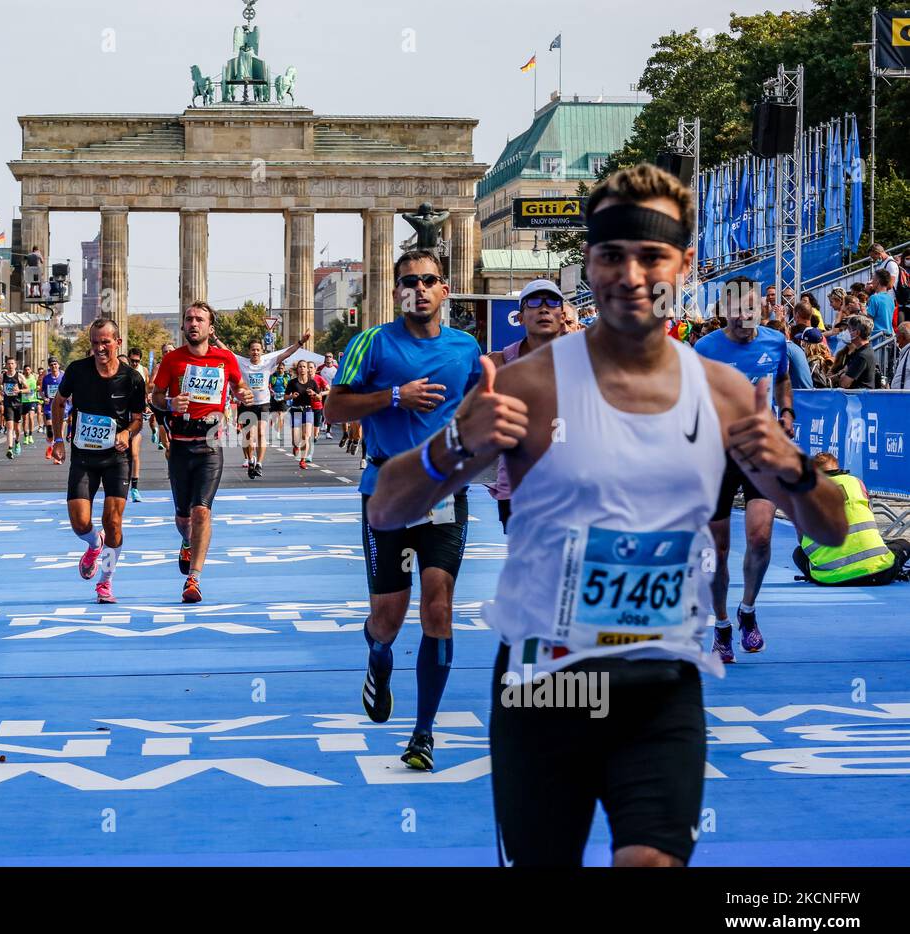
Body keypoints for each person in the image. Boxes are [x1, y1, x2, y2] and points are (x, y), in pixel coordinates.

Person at [367, 163, 847, 865]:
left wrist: (797, 470)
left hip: (661, 687)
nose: (631, 275)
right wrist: (452, 444)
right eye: (611, 255)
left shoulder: (724, 394)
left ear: (684, 264)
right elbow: (387, 509)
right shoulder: (530, 385)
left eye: (651, 255)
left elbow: (831, 531)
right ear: (587, 266)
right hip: (544, 687)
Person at [324, 249, 484, 772]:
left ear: (445, 290)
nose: (419, 289)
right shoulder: (371, 342)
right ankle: (377, 654)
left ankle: (423, 733)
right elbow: (333, 408)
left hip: (443, 492)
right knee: (388, 620)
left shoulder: (466, 348)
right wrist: (394, 396)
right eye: (408, 281)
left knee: (438, 608)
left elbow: (478, 410)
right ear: (395, 291)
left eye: (429, 280)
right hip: (386, 488)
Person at [694, 281, 794, 663]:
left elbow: (783, 380)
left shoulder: (776, 342)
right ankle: (721, 626)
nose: (743, 317)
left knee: (761, 537)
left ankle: (747, 612)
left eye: (750, 309)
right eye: (736, 310)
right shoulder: (705, 349)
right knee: (717, 551)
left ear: (761, 312)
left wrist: (786, 412)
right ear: (724, 313)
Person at [150, 301, 250, 603]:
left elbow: (239, 385)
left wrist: (242, 393)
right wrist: (169, 403)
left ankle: (194, 579)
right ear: (183, 326)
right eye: (189, 319)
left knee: (202, 511)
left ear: (210, 328)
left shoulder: (225, 359)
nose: (193, 324)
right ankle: (186, 542)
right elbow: (155, 395)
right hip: (180, 445)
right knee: (183, 519)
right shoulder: (172, 361)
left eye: (199, 319)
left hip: (209, 444)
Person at [52, 319, 146, 603]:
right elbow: (59, 402)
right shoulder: (77, 370)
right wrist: (57, 439)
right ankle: (94, 543)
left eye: (105, 342)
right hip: (83, 456)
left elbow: (138, 420)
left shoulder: (132, 378)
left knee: (113, 521)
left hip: (116, 458)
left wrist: (127, 434)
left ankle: (105, 582)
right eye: (94, 342)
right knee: (80, 523)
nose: (99, 348)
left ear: (118, 342)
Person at [485, 278, 566, 532]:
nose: (543, 308)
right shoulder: (497, 363)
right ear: (519, 317)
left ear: (562, 315)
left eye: (552, 302)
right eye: (534, 302)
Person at [792, 453, 910, 585]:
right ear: (838, 468)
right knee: (903, 545)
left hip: (831, 579)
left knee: (798, 554)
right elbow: (868, 517)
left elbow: (801, 539)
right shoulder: (856, 483)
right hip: (880, 573)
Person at [237, 332, 309, 479]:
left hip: (263, 403)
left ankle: (259, 464)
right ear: (249, 351)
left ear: (262, 351)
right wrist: (214, 338)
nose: (255, 352)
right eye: (253, 349)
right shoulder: (242, 362)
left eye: (258, 349)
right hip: (247, 403)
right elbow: (226, 351)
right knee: (248, 436)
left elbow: (287, 353)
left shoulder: (267, 362)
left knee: (261, 433)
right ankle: (251, 460)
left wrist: (301, 342)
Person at [286, 360, 318, 469]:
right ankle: (295, 447)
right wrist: (291, 396)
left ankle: (303, 460)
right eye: (300, 367)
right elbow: (285, 397)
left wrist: (314, 394)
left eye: (304, 367)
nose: (303, 368)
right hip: (296, 410)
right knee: (296, 439)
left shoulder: (312, 383)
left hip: (308, 410)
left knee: (306, 436)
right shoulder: (292, 382)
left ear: (307, 369)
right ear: (298, 369)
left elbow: (318, 397)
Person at [126, 346, 148, 500]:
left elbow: (145, 391)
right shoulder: (118, 374)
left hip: (134, 420)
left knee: (134, 453)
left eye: (137, 362)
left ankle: (134, 488)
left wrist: (145, 404)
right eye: (132, 361)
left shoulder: (142, 373)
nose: (134, 364)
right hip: (117, 422)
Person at [836, 317, 877, 389]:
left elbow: (844, 383)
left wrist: (841, 375)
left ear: (857, 333)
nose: (846, 332)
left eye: (848, 329)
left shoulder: (863, 355)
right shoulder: (858, 351)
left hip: (859, 398)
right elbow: (844, 370)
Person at [0, 357, 26, 458]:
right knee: (10, 427)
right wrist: (1, 390)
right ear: (6, 365)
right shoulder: (3, 377)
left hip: (18, 404)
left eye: (12, 364)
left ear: (15, 365)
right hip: (8, 404)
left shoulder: (19, 376)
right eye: (8, 364)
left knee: (17, 429)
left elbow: (28, 389)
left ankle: (17, 441)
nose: (10, 366)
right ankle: (10, 449)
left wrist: (19, 391)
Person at [42, 358, 65, 461]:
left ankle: (57, 457)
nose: (53, 366)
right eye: (51, 365)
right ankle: (51, 446)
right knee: (50, 431)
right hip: (49, 407)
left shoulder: (64, 377)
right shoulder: (46, 378)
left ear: (58, 365)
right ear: (49, 366)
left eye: (55, 364)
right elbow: (41, 391)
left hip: (61, 407)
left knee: (60, 432)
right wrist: (44, 398)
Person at [866, 269, 896, 340]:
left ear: (878, 281)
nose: (871, 282)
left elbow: (869, 321)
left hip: (877, 337)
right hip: (889, 336)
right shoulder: (890, 299)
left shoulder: (874, 298)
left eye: (873, 279)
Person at [889, 323, 910, 389]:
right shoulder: (905, 351)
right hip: (900, 396)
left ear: (902, 336)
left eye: (897, 335)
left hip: (906, 397)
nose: (896, 339)